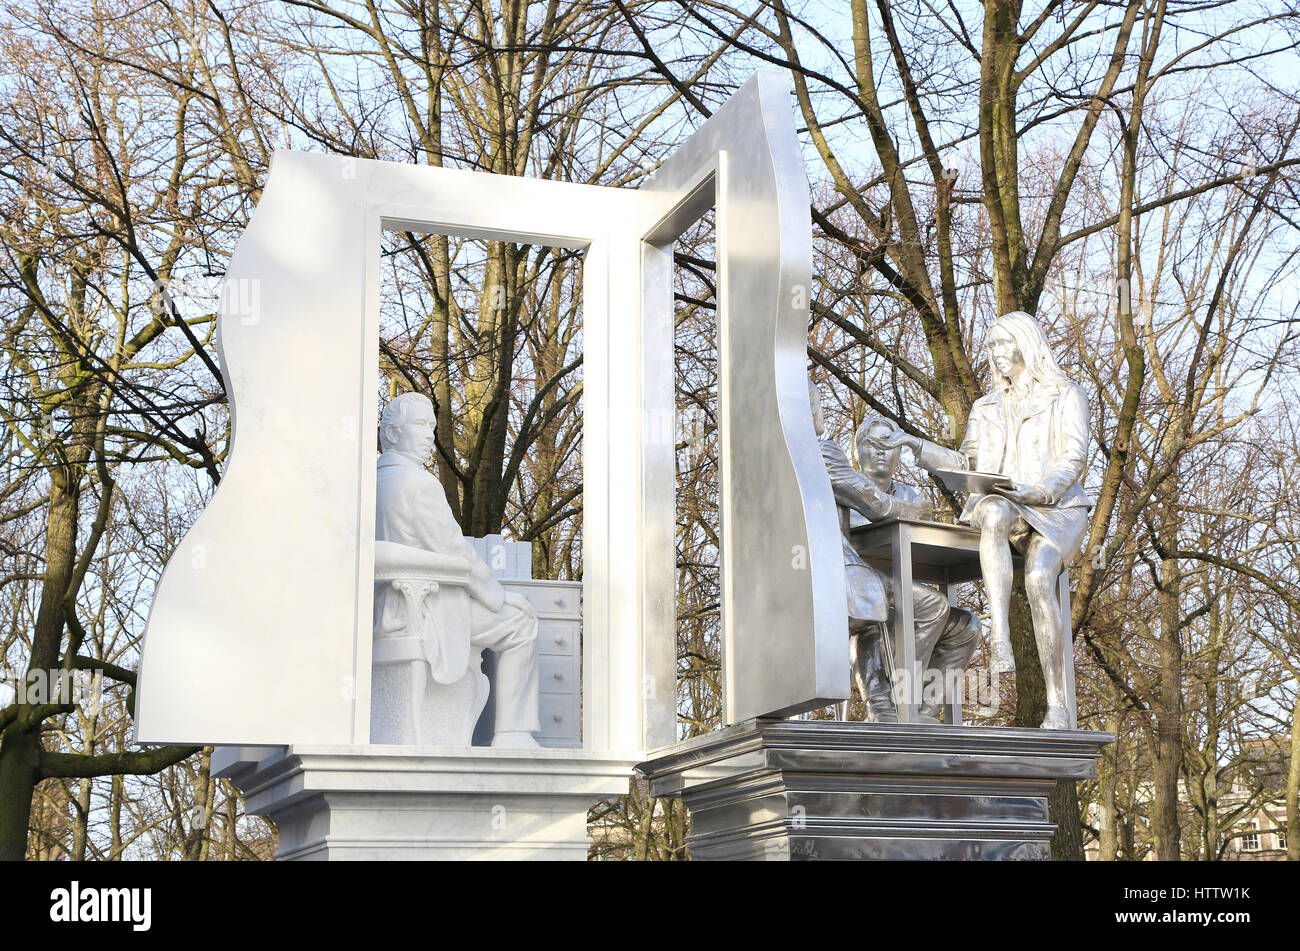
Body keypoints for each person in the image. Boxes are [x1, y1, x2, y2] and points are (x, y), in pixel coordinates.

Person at [882, 311, 1091, 730]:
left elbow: (1074, 456)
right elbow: (967, 461)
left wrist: (1039, 491)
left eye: (1002, 344)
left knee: (1038, 577)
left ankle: (1057, 705)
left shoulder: (1066, 394)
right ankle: (1000, 639)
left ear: (1026, 343)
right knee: (992, 509)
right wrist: (916, 445)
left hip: (1057, 507)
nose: (995, 354)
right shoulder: (986, 406)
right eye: (991, 346)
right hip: (1006, 506)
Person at [374, 391, 541, 748]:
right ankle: (512, 735)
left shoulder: (368, 486)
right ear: (391, 434)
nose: (428, 438)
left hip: (383, 611)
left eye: (431, 428)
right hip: (426, 608)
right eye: (418, 426)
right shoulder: (419, 485)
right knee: (521, 622)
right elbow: (457, 553)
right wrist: (498, 597)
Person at [810, 381, 977, 723]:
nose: (882, 453)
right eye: (874, 446)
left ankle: (925, 713)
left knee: (967, 624)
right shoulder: (825, 457)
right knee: (924, 607)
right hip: (851, 585)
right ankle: (898, 705)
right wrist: (916, 512)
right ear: (858, 451)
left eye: (890, 446)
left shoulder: (907, 491)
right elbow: (876, 507)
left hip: (880, 584)